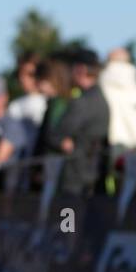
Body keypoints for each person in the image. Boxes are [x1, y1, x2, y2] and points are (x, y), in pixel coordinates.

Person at [52, 49, 110, 196]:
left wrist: (60, 140)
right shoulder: (100, 99)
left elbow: (56, 135)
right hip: (91, 176)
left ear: (80, 69)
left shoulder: (83, 102)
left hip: (76, 178)